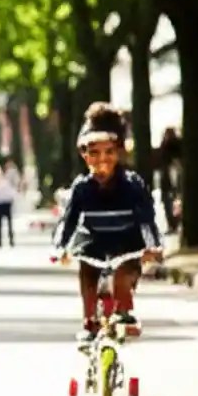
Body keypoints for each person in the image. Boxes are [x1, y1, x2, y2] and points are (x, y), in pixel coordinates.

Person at [52, 102, 163, 345]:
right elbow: (68, 221)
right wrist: (60, 249)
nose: (102, 161)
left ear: (120, 153)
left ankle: (124, 312)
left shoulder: (133, 185)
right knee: (87, 275)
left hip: (127, 246)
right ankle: (89, 322)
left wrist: (153, 246)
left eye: (109, 153)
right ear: (84, 155)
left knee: (123, 277)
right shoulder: (81, 188)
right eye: (94, 153)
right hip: (94, 246)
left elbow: (147, 220)